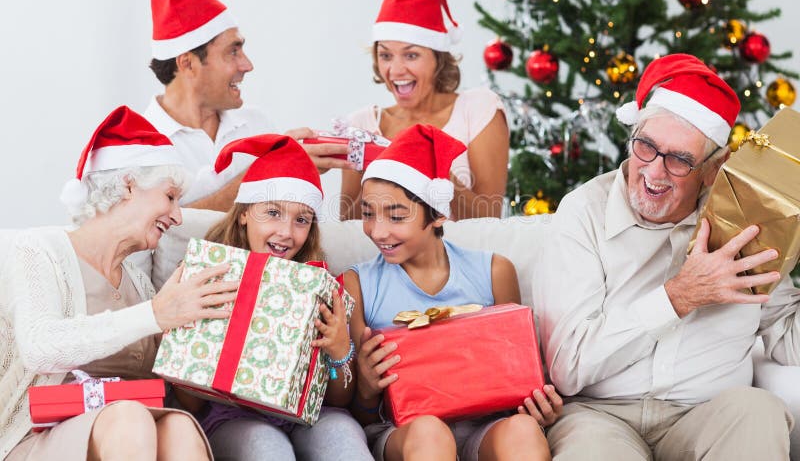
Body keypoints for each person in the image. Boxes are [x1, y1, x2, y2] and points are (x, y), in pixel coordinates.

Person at [534, 53, 799, 460]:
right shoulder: (584, 212)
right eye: (646, 147)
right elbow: (567, 367)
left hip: (705, 413)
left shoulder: (744, 222)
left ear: (713, 169)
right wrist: (678, 297)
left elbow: (787, 338)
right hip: (600, 416)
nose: (654, 172)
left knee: (760, 411)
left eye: (679, 160)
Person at [2, 106, 240, 460]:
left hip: (128, 431)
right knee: (129, 417)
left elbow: (174, 393)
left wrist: (205, 339)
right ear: (128, 186)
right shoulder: (39, 249)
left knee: (179, 425)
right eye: (170, 197)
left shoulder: (139, 284)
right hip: (39, 436)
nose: (178, 216)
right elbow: (40, 347)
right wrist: (155, 315)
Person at [342, 124, 561, 461]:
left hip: (485, 429)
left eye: (396, 216)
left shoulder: (494, 272)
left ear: (438, 214)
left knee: (523, 431)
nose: (378, 231)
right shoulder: (357, 284)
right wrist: (368, 388)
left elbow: (517, 381)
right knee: (430, 434)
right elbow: (361, 415)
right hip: (406, 433)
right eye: (368, 214)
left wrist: (537, 407)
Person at [172, 134, 371, 461]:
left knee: (342, 439)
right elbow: (190, 403)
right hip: (234, 417)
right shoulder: (207, 277)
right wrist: (183, 337)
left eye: (301, 220)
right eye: (273, 213)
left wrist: (339, 350)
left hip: (314, 415)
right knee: (266, 447)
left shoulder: (320, 287)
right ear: (244, 213)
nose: (286, 232)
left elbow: (339, 399)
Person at [145, 0, 347, 211]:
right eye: (233, 52)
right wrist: (270, 167)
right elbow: (167, 229)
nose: (247, 65)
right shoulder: (143, 146)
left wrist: (296, 169)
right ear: (188, 64)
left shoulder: (257, 124)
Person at [340, 0, 509, 221]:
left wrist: (431, 164)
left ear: (438, 59)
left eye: (411, 55)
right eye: (385, 56)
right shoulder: (362, 124)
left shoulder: (478, 110)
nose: (395, 70)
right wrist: (379, 166)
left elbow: (488, 220)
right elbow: (349, 228)